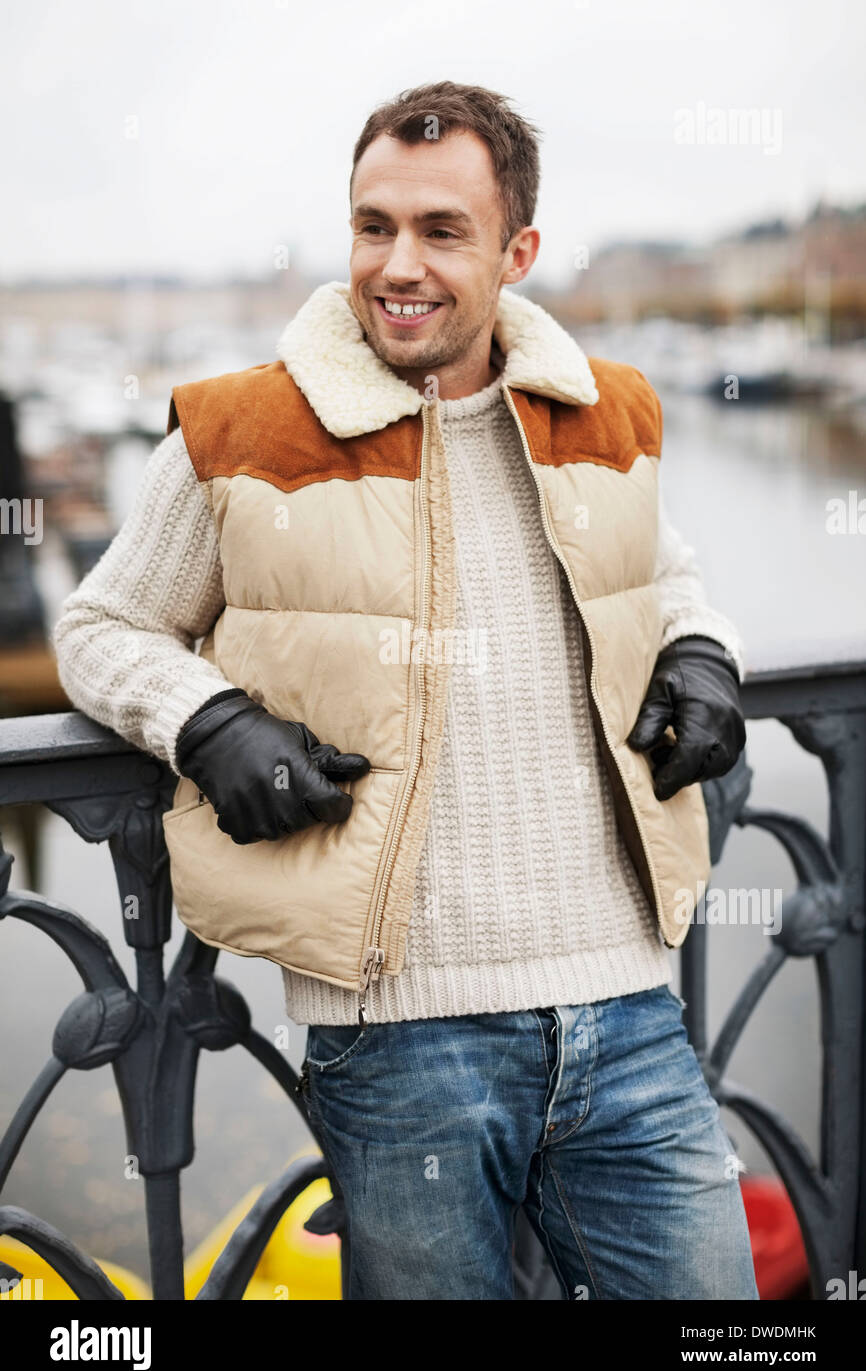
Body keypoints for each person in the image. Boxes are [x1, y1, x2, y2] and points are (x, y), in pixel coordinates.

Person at [53, 80, 757, 1301]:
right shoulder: (238, 429)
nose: (398, 264)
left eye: (441, 230)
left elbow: (669, 580)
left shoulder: (606, 412)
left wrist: (701, 653)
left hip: (630, 1011)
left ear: (516, 251)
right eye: (373, 225)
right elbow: (102, 626)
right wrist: (206, 718)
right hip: (398, 1034)